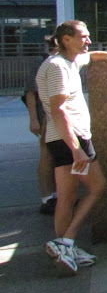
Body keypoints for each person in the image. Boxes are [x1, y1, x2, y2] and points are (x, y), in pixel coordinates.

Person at [36, 20, 107, 275]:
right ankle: (65, 241)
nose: (88, 41)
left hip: (65, 139)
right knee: (97, 186)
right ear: (66, 39)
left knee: (66, 197)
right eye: (84, 36)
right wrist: (76, 148)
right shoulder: (57, 67)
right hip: (71, 139)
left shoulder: (70, 61)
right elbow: (58, 110)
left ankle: (65, 247)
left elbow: (89, 56)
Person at [25, 36, 58, 215]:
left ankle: (56, 194)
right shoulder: (41, 63)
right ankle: (47, 198)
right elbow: (31, 92)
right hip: (45, 115)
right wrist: (34, 119)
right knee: (46, 155)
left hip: (54, 114)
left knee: (55, 156)